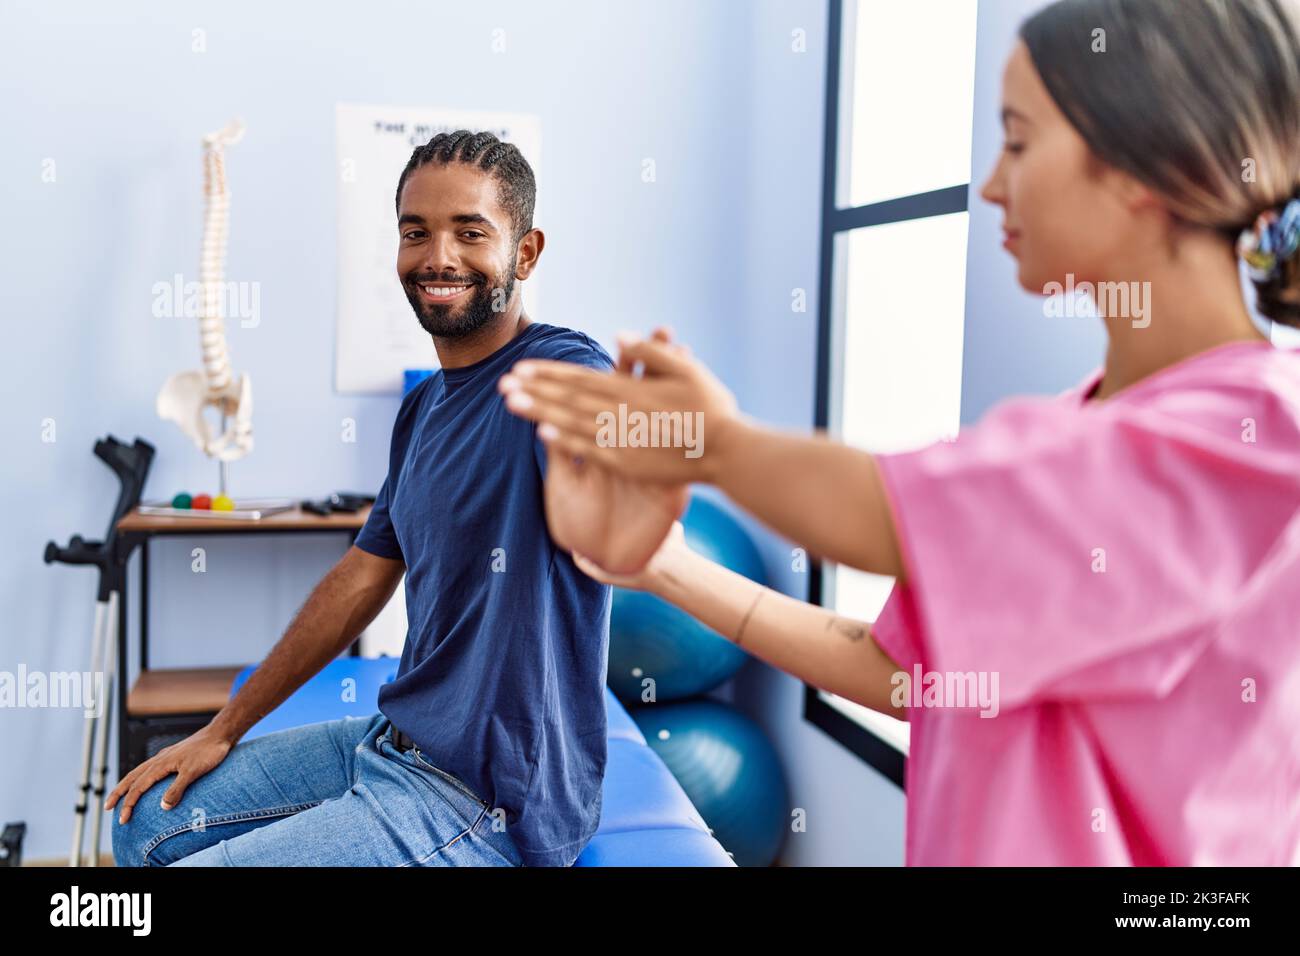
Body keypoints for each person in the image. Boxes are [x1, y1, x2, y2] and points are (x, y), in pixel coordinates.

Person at [498, 0, 1300, 865]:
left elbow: (879, 515)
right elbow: (903, 676)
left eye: (1020, 142)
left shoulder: (1257, 434)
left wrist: (711, 445)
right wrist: (657, 564)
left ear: (1154, 161)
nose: (993, 183)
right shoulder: (1090, 424)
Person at [108, 131, 614, 867]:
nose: (438, 257)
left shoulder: (561, 371)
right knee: (145, 824)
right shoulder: (424, 409)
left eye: (471, 233)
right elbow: (363, 574)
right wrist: (224, 727)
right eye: (416, 233)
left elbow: (615, 428)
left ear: (526, 253)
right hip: (393, 744)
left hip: (487, 801)